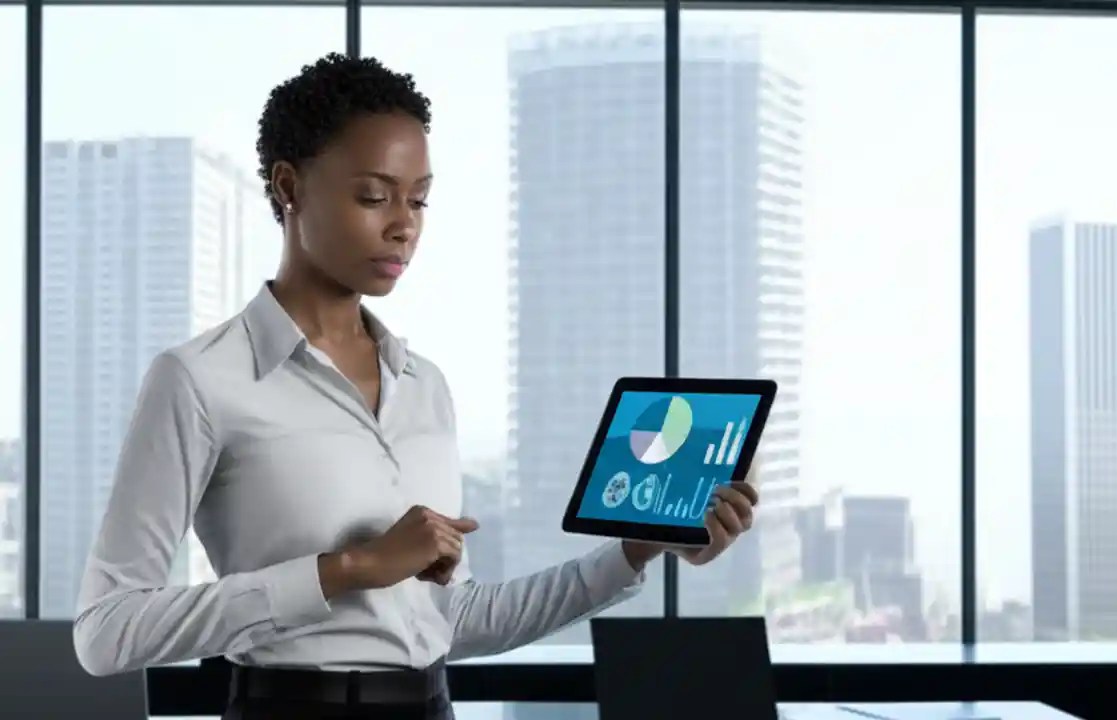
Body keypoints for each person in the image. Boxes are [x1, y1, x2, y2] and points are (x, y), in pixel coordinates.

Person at [71, 52, 759, 720]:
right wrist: (350, 566)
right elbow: (107, 632)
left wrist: (640, 546)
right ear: (288, 187)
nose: (403, 226)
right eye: (373, 196)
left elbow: (451, 620)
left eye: (419, 200)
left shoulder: (424, 386)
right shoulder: (198, 379)